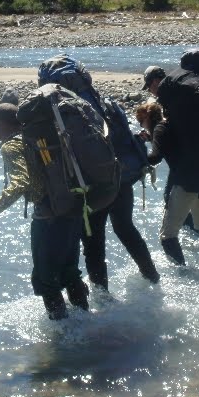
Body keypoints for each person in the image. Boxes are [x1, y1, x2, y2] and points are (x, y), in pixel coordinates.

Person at [37, 55, 160, 289]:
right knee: (126, 229)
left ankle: (103, 298)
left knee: (94, 241)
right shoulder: (102, 103)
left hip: (92, 187)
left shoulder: (61, 111)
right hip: (121, 178)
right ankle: (153, 279)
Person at [0, 103, 89, 320]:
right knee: (70, 272)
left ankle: (63, 338)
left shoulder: (11, 146)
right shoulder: (36, 138)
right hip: (71, 209)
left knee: (45, 280)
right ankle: (85, 323)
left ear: (0, 124)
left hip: (48, 219)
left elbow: (21, 181)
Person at [139, 66, 199, 265]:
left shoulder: (161, 127)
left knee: (167, 236)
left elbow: (155, 158)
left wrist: (138, 155)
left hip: (185, 183)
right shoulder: (178, 120)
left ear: (146, 119)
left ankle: (183, 274)